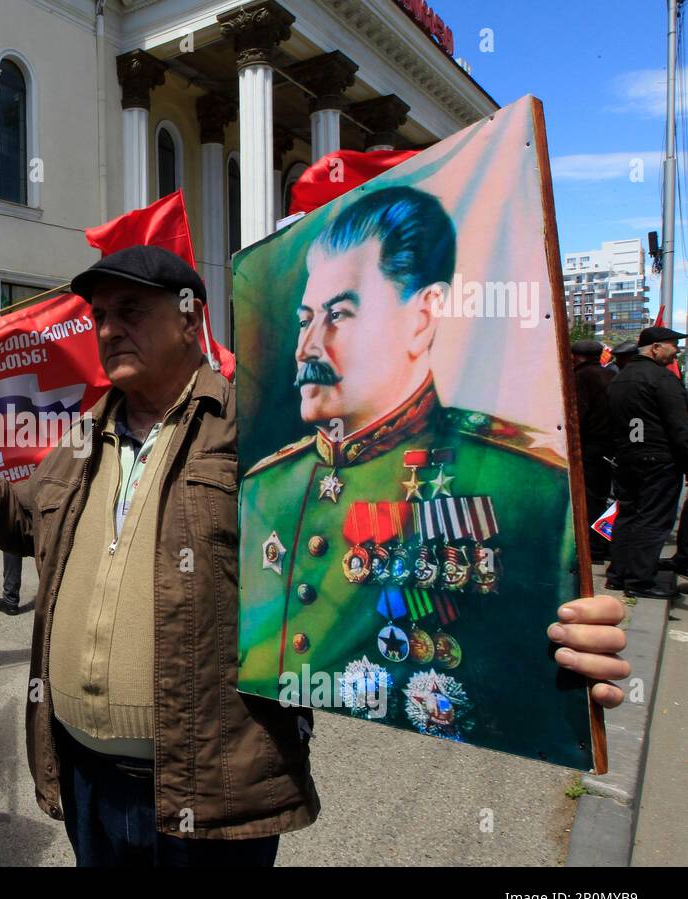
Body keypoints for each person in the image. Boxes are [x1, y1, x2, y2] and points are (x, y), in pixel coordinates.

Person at [0, 244, 631, 866]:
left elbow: (394, 554)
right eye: (100, 317)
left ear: (190, 320)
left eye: (131, 312)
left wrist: (550, 642)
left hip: (208, 788)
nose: (108, 330)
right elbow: (28, 523)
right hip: (85, 776)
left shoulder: (263, 436)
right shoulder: (89, 434)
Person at [235, 188, 622, 767]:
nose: (307, 346)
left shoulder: (525, 486)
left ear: (423, 317)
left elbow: (543, 682)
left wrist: (579, 668)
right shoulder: (265, 484)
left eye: (339, 314)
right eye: (304, 320)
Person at [605, 325, 688, 597]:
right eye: (672, 345)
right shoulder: (662, 379)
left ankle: (618, 574)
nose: (676, 351)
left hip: (627, 457)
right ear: (655, 347)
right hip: (658, 459)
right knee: (653, 519)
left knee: (628, 515)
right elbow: (679, 427)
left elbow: (615, 423)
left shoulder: (620, 378)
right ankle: (640, 580)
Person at [571, 339, 613, 562]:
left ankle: (591, 546)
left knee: (587, 498)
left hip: (588, 447)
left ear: (576, 357)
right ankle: (600, 542)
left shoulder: (580, 378)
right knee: (601, 496)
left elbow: (579, 414)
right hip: (608, 446)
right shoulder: (610, 375)